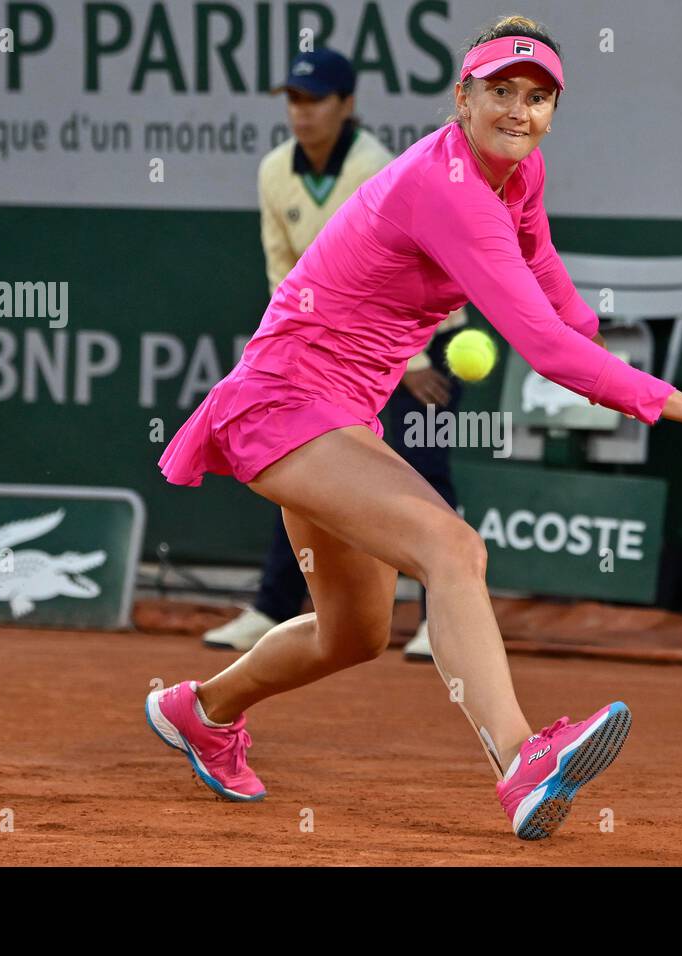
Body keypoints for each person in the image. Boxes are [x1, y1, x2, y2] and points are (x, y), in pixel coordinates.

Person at [148, 14, 682, 840]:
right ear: (461, 97)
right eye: (501, 92)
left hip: (343, 407)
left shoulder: (521, 173)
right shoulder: (447, 190)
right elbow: (537, 346)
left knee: (355, 634)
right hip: (285, 397)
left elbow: (544, 273)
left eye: (538, 97)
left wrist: (593, 341)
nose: (520, 111)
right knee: (454, 549)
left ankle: (201, 711)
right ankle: (523, 762)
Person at [201, 48, 465, 663]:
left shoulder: (377, 166)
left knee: (423, 465)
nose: (302, 113)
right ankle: (271, 607)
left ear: (346, 106)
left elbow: (409, 265)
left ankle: (436, 616)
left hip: (422, 339)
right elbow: (282, 270)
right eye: (293, 100)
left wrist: (414, 359)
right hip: (330, 348)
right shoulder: (273, 171)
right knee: (302, 471)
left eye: (315, 100)